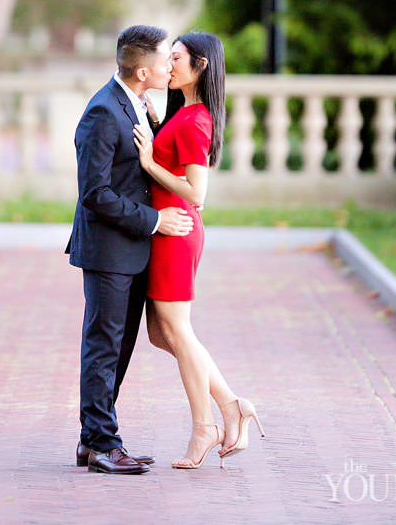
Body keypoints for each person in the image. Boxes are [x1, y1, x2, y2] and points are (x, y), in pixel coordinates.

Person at [67, 24, 195, 475]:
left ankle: (93, 440)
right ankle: (104, 445)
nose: (170, 66)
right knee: (103, 347)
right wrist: (156, 221)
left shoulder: (138, 103)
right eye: (165, 60)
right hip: (109, 251)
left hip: (133, 251)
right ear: (143, 71)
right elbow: (96, 193)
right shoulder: (103, 112)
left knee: (117, 349)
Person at [133, 31, 265, 469]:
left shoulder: (196, 120)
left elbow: (195, 188)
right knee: (162, 333)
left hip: (175, 231)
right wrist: (155, 128)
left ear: (201, 65)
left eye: (177, 59)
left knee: (178, 331)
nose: (168, 65)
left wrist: (150, 163)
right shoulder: (183, 113)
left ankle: (205, 426)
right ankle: (232, 404)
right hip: (167, 228)